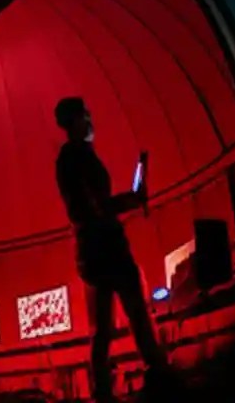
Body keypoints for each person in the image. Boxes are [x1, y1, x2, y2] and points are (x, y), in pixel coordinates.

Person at [53, 97, 172, 402]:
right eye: (85, 116)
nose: (91, 121)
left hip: (95, 252)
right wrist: (128, 202)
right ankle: (154, 373)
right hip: (105, 248)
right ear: (75, 121)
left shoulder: (74, 157)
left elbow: (91, 206)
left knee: (103, 329)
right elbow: (92, 208)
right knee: (134, 315)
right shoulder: (74, 158)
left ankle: (104, 390)